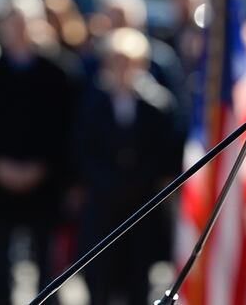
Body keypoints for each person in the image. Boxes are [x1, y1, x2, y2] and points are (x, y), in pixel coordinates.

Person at [0, 0, 77, 305]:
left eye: (26, 21)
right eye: (13, 20)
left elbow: (64, 130)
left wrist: (41, 168)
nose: (20, 28)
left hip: (44, 186)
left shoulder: (57, 74)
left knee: (47, 271)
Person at [75, 27, 181, 305]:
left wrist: (138, 183)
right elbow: (83, 152)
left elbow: (163, 155)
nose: (123, 69)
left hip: (141, 207)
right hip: (102, 206)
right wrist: (108, 182)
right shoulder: (91, 104)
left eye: (129, 62)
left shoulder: (157, 104)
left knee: (138, 281)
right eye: (116, 61)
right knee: (100, 281)